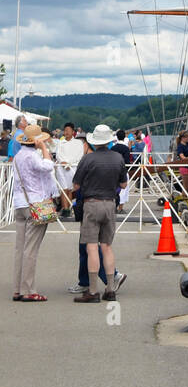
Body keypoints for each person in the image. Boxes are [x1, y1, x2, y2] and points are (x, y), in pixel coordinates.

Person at [71, 124, 128, 303]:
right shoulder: (118, 158)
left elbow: (76, 185)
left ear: (94, 141)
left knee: (91, 247)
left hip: (92, 204)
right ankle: (110, 289)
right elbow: (124, 184)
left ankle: (93, 291)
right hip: (110, 204)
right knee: (107, 247)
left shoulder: (88, 159)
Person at [11, 124, 57, 301]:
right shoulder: (32, 156)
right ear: (37, 140)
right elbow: (47, 166)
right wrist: (44, 148)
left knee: (20, 248)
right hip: (35, 203)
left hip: (20, 203)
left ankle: (18, 287)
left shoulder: (18, 157)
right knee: (31, 249)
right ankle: (28, 289)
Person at [54, 123, 83, 218]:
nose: (66, 132)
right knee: (63, 188)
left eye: (68, 130)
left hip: (73, 167)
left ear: (73, 132)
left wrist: (69, 163)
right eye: (65, 130)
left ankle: (69, 208)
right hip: (61, 167)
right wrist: (64, 162)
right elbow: (58, 154)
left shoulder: (78, 143)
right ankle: (65, 208)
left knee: (70, 189)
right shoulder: (60, 142)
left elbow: (79, 155)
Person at [111, 130, 131, 212]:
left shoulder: (113, 148)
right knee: (123, 190)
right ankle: (121, 208)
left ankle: (114, 206)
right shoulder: (126, 148)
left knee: (113, 189)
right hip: (123, 170)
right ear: (124, 137)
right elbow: (127, 161)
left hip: (113, 171)